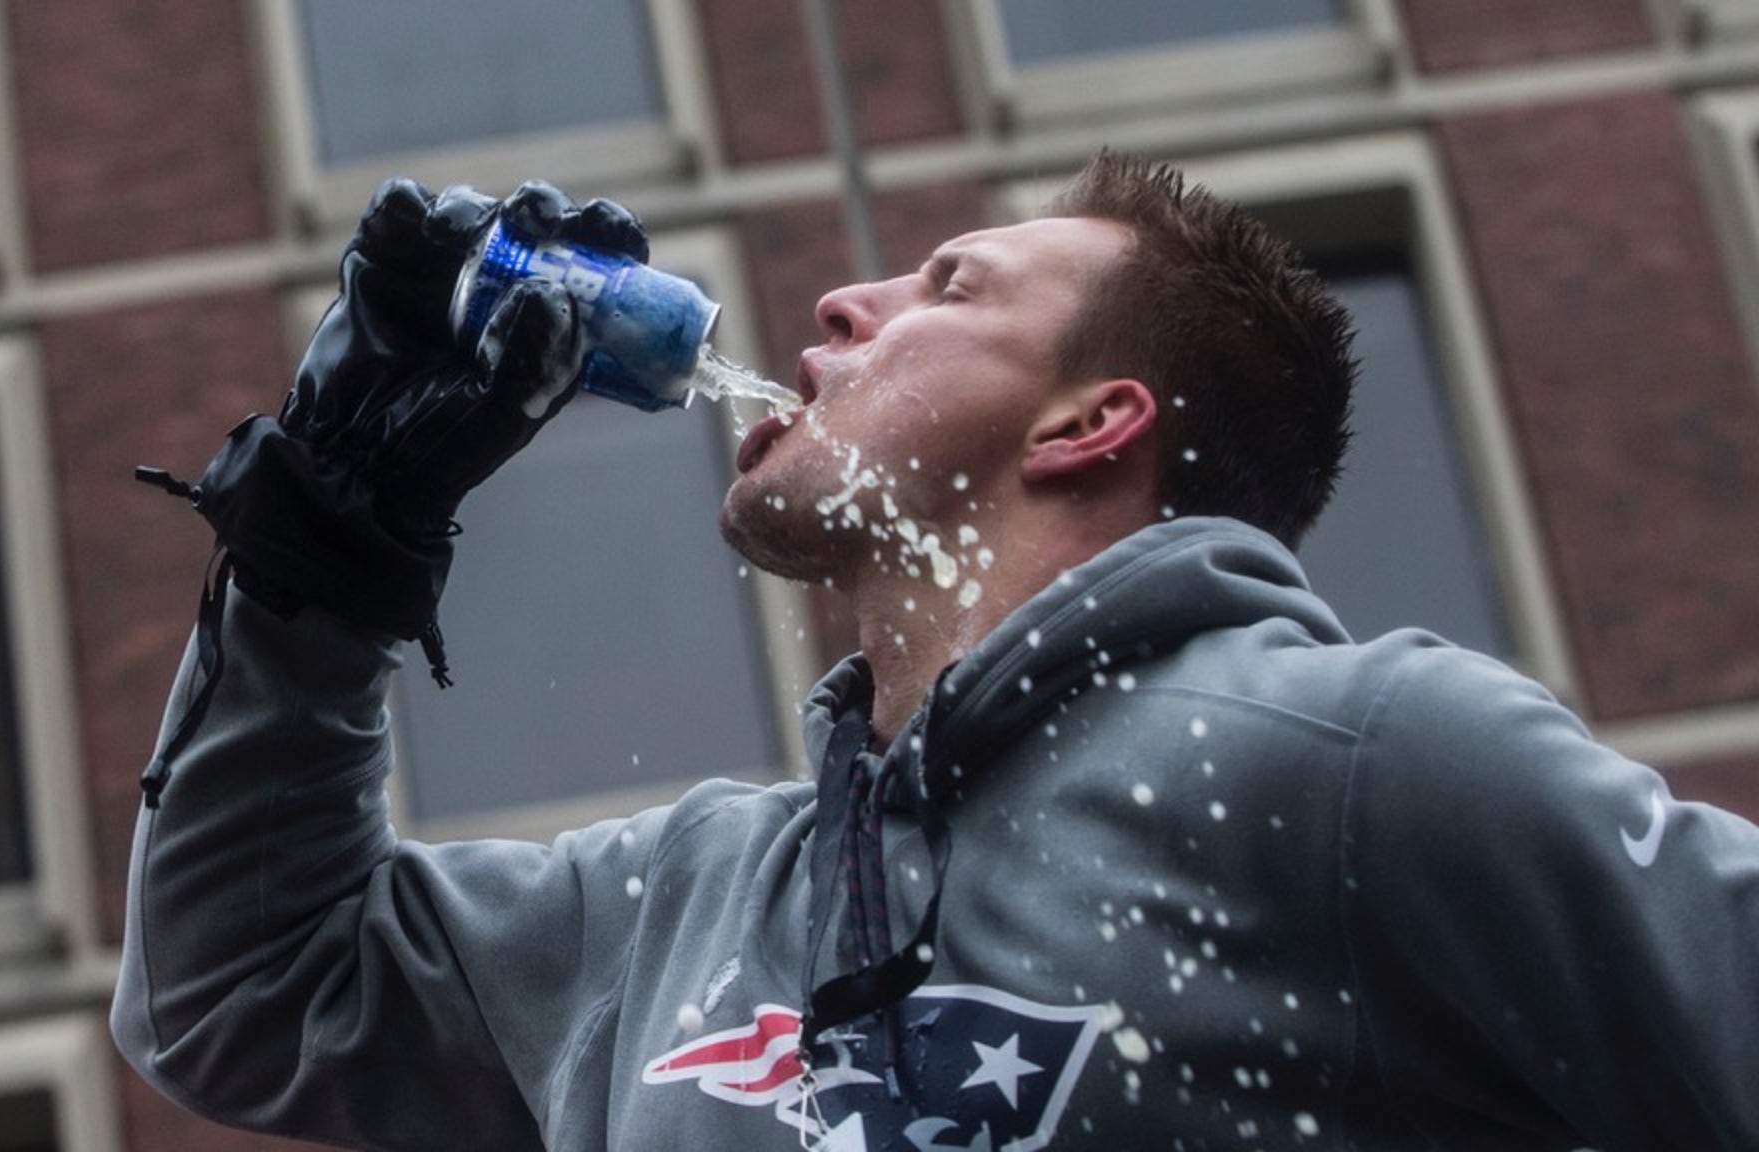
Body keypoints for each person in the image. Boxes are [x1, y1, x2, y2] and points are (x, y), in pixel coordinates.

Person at [112, 155, 1759, 1151]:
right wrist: (330, 535)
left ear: (1090, 421)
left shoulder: (1352, 770)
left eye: (947, 286)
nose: (839, 303)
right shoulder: (676, 907)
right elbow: (238, 990)